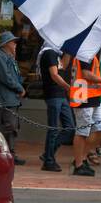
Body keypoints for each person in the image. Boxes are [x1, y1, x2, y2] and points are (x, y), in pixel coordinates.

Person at [64, 51, 101, 177]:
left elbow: (89, 74)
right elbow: (86, 74)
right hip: (83, 97)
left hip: (92, 96)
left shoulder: (89, 53)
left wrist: (100, 84)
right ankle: (79, 164)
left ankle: (81, 158)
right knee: (82, 132)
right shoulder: (86, 53)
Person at [38, 40, 74, 173]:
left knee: (69, 127)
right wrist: (68, 87)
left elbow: (62, 66)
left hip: (60, 95)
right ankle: (49, 161)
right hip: (54, 94)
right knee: (53, 129)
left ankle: (48, 153)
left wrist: (70, 50)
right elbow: (54, 74)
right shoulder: (49, 53)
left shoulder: (55, 53)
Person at [0, 31, 27, 162]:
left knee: (13, 127)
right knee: (9, 126)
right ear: (6, 44)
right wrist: (19, 88)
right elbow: (6, 77)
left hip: (12, 98)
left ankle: (11, 154)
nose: (15, 44)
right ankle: (4, 153)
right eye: (13, 42)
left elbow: (15, 75)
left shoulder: (9, 57)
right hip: (5, 98)